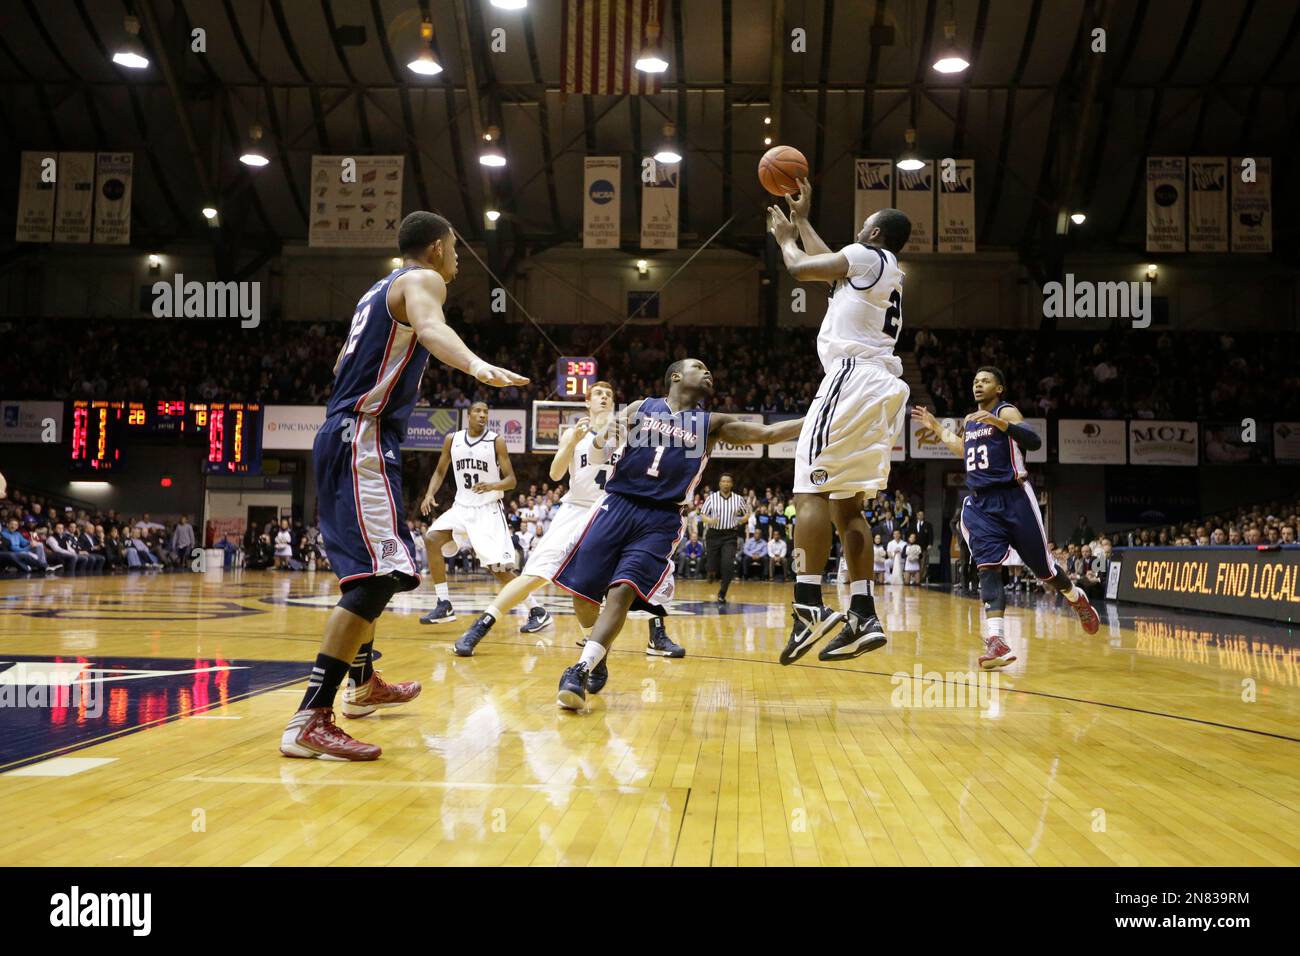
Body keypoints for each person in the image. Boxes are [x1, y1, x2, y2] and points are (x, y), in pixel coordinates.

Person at [281, 210, 528, 762]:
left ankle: (363, 682)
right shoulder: (423, 279)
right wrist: (477, 366)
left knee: (377, 573)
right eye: (457, 247)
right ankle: (310, 718)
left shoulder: (376, 290)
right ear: (438, 247)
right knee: (378, 577)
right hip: (361, 437)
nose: (459, 258)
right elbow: (434, 328)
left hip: (354, 436)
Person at [552, 358, 803, 710]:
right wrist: (601, 438)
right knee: (583, 593)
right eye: (698, 367)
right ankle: (598, 653)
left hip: (661, 518)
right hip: (616, 504)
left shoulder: (711, 423)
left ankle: (579, 669)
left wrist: (816, 417)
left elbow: (768, 434)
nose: (708, 372)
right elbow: (598, 453)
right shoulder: (643, 407)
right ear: (675, 376)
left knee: (623, 590)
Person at [767, 186, 911, 665]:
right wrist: (806, 220)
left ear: (872, 233)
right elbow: (835, 264)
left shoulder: (867, 255)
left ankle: (808, 604)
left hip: (850, 379)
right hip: (882, 385)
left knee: (809, 492)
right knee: (846, 504)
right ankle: (863, 612)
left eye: (861, 226)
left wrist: (787, 238)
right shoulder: (880, 269)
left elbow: (802, 269)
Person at [451, 381, 685, 658]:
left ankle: (656, 636)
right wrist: (571, 442)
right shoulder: (573, 433)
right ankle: (480, 626)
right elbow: (555, 473)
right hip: (575, 508)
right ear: (587, 402)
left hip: (613, 508)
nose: (604, 398)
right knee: (535, 573)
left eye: (609, 395)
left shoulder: (627, 432)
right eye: (598, 393)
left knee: (639, 572)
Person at [912, 366, 1100, 671]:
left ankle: (1076, 597)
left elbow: (1034, 441)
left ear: (999, 388)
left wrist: (1001, 423)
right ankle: (996, 639)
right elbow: (962, 448)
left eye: (985, 381)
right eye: (974, 381)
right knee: (988, 568)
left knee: (1046, 571)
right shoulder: (971, 421)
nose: (978, 385)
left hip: (1014, 498)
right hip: (981, 504)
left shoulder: (1006, 411)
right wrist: (935, 427)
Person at [417, 401, 536, 627]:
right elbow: (440, 470)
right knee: (432, 538)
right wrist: (429, 494)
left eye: (485, 412)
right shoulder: (453, 439)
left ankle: (536, 609)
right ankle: (444, 604)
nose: (482, 415)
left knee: (497, 569)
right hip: (461, 507)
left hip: (487, 510)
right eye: (478, 412)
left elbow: (511, 481)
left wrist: (492, 485)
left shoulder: (495, 441)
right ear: (468, 416)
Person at [700, 473, 750, 605]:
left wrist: (742, 520)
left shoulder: (738, 499)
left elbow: (747, 514)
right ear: (720, 484)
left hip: (730, 536)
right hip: (713, 534)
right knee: (712, 565)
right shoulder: (711, 498)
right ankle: (711, 571)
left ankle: (722, 593)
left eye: (728, 481)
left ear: (731, 484)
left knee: (727, 565)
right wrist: (710, 520)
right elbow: (703, 514)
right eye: (723, 481)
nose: (726, 483)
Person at [914, 509, 934, 583]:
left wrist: (930, 544)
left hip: (924, 547)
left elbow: (931, 535)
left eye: (922, 515)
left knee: (923, 563)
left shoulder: (928, 525)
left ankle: (920, 579)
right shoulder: (913, 524)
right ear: (917, 515)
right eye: (919, 514)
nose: (921, 516)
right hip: (914, 548)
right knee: (915, 563)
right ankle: (914, 578)